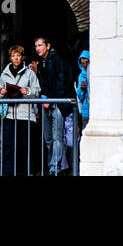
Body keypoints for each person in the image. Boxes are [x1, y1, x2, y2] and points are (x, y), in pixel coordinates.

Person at [0, 44, 41, 176]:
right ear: (10, 57)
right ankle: (7, 173)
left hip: (25, 115)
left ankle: (29, 172)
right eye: (14, 55)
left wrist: (27, 91)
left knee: (26, 146)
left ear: (22, 57)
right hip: (9, 115)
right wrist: (1, 91)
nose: (16, 58)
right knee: (8, 146)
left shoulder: (30, 74)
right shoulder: (4, 74)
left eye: (18, 55)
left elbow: (37, 90)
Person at [32, 35, 73, 176]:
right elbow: (44, 85)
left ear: (47, 46)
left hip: (58, 104)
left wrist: (51, 99)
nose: (37, 48)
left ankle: (54, 168)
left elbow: (62, 82)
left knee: (57, 137)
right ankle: (53, 166)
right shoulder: (42, 63)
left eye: (40, 45)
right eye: (36, 46)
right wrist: (43, 100)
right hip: (46, 104)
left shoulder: (57, 60)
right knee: (48, 138)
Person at [75, 49, 90, 137]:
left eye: (86, 62)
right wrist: (81, 89)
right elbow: (80, 96)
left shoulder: (94, 73)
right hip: (86, 111)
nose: (84, 64)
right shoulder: (81, 76)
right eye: (82, 63)